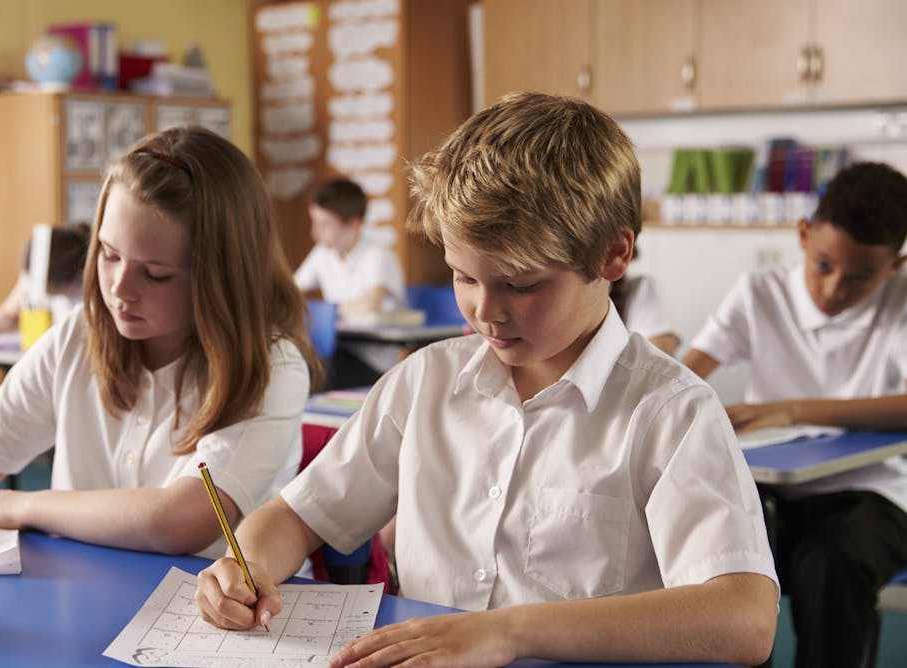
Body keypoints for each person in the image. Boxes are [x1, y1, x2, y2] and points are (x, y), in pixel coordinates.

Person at [195, 92, 778, 667]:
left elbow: (744, 620)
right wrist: (245, 567)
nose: (486, 311)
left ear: (613, 255)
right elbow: (298, 516)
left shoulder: (669, 411)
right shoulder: (424, 382)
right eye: (462, 276)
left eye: (521, 285)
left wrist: (510, 631)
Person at [0, 126, 321, 558]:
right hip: (82, 597)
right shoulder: (79, 336)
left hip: (210, 618)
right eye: (109, 255)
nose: (118, 288)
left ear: (221, 276)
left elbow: (183, 521)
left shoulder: (271, 366)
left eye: (155, 274)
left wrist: (25, 507)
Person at [682, 161, 907, 668]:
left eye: (861, 278)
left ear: (894, 266)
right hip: (766, 491)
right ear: (803, 235)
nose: (833, 291)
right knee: (718, 561)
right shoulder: (761, 291)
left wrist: (787, 410)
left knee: (830, 565)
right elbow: (684, 376)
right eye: (823, 265)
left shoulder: (902, 301)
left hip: (873, 493)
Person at [293, 176, 406, 387]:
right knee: (295, 366)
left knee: (317, 377)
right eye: (315, 222)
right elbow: (290, 290)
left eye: (325, 224)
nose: (315, 233)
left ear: (354, 224)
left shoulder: (377, 254)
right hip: (337, 347)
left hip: (373, 358)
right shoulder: (323, 253)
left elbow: (372, 302)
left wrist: (325, 311)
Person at [0, 223, 91, 334]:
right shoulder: (35, 271)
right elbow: (8, 314)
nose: (33, 287)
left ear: (78, 275)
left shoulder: (89, 290)